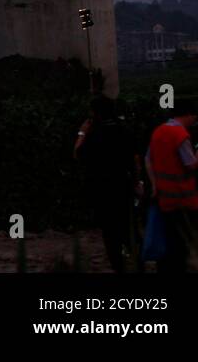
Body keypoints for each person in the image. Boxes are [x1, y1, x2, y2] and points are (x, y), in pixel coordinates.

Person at [74, 95, 136, 272]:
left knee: (109, 231)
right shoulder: (123, 130)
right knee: (126, 225)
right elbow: (134, 159)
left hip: (102, 188)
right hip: (122, 185)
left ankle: (118, 264)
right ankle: (133, 256)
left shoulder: (95, 134)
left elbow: (78, 154)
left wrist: (82, 132)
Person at [146, 104, 198, 273]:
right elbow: (190, 164)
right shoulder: (180, 134)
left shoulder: (158, 131)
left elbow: (148, 159)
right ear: (188, 114)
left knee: (168, 237)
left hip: (164, 196)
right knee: (180, 242)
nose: (195, 121)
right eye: (194, 117)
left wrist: (154, 185)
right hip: (182, 197)